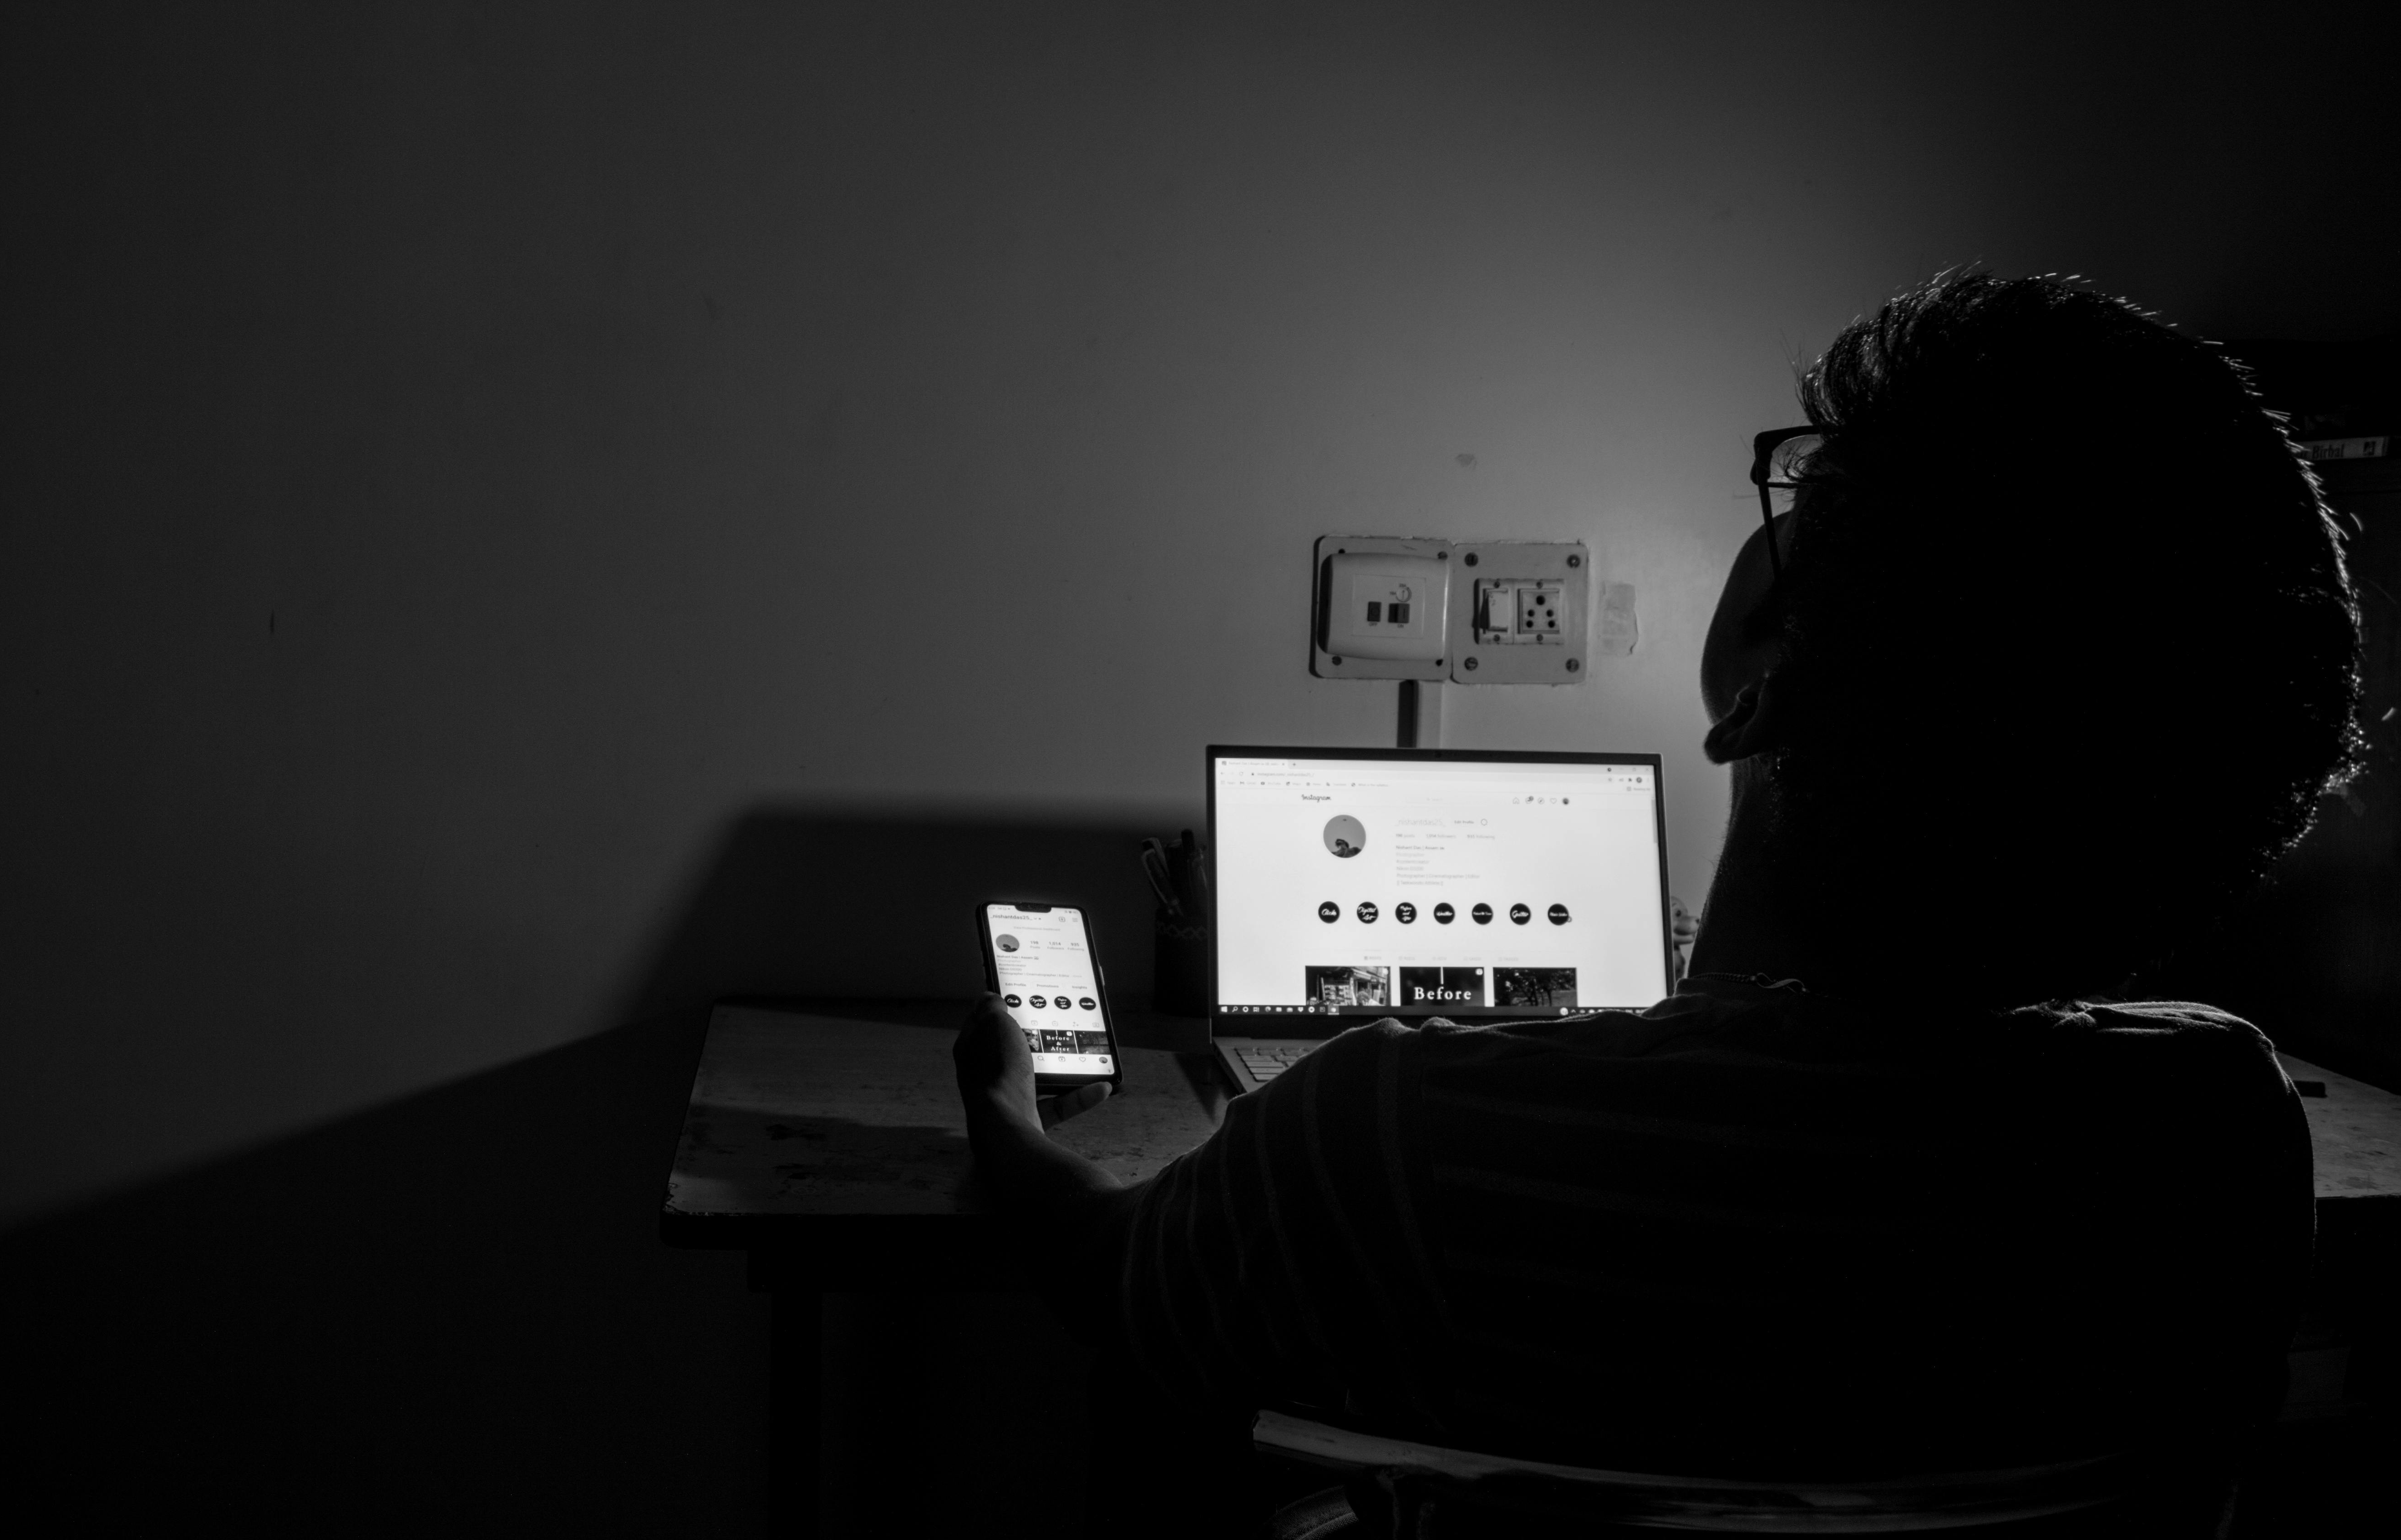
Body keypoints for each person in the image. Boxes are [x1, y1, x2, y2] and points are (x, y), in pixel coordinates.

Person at [953, 271, 2364, 1537]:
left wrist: (1003, 1112)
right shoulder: (2217, 1134)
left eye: (1804, 504)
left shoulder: (1393, 1134)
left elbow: (1103, 1273)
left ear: (1761, 684)